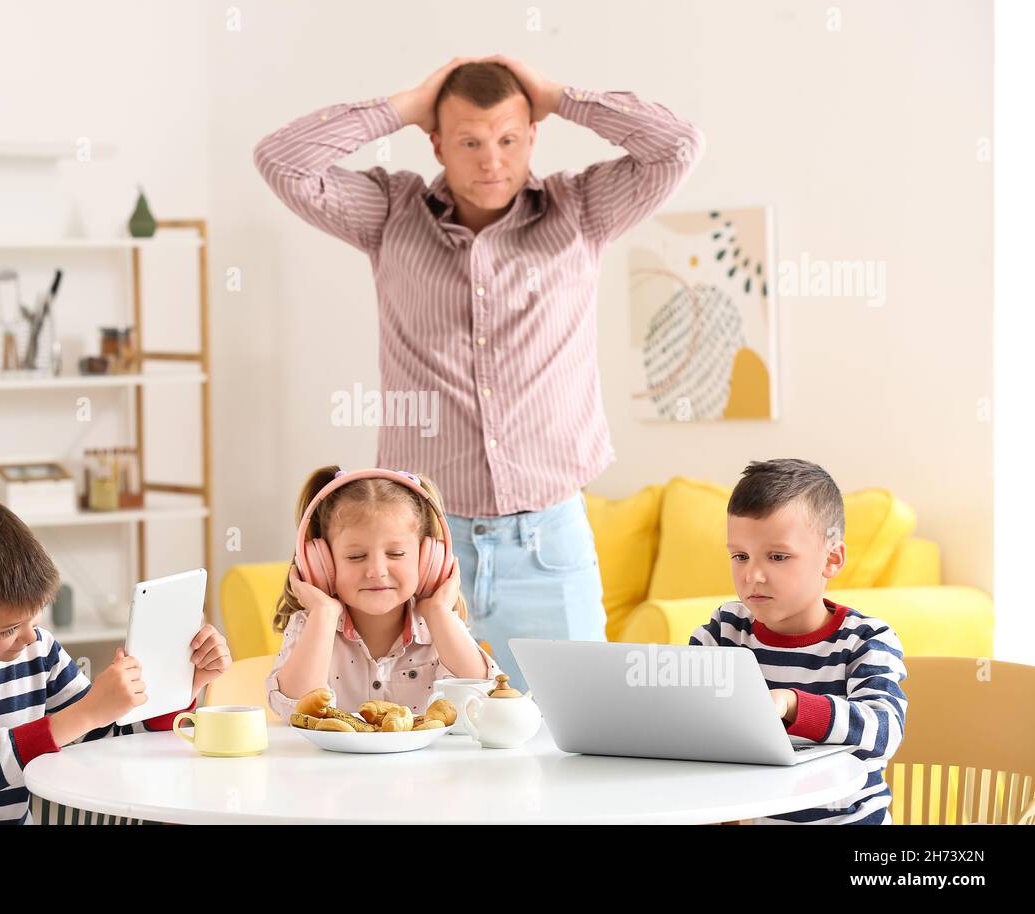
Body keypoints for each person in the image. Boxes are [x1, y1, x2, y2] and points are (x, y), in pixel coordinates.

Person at [255, 56, 705, 688]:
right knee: (424, 732)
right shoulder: (391, 212)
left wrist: (557, 94)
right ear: (436, 142)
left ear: (532, 136)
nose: (491, 159)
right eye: (468, 140)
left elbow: (677, 146)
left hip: (547, 537)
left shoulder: (581, 211)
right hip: (421, 547)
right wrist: (407, 104)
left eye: (508, 138)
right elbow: (282, 159)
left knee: (578, 729)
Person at [0, 496, 231, 824]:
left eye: (35, 619)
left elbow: (104, 743)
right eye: (8, 629)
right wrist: (89, 712)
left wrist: (181, 686)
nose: (28, 637)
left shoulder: (39, 650)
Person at [690, 459, 908, 824]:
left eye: (777, 557)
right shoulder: (724, 633)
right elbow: (682, 715)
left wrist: (793, 705)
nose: (752, 575)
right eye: (740, 556)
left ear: (832, 559)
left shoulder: (866, 641)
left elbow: (883, 732)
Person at [266, 466, 498, 721]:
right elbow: (296, 712)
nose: (376, 571)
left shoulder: (438, 626)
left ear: (428, 559)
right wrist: (324, 613)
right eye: (356, 556)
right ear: (323, 564)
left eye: (396, 554)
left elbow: (483, 701)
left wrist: (438, 611)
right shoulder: (311, 625)